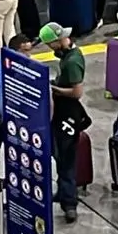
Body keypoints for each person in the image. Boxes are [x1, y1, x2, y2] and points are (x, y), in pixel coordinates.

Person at [39, 22, 86, 223]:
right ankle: (64, 192)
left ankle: (69, 203)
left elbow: (76, 93)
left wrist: (53, 89)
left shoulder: (72, 62)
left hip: (68, 115)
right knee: (59, 155)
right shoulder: (67, 56)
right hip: (61, 113)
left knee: (66, 158)